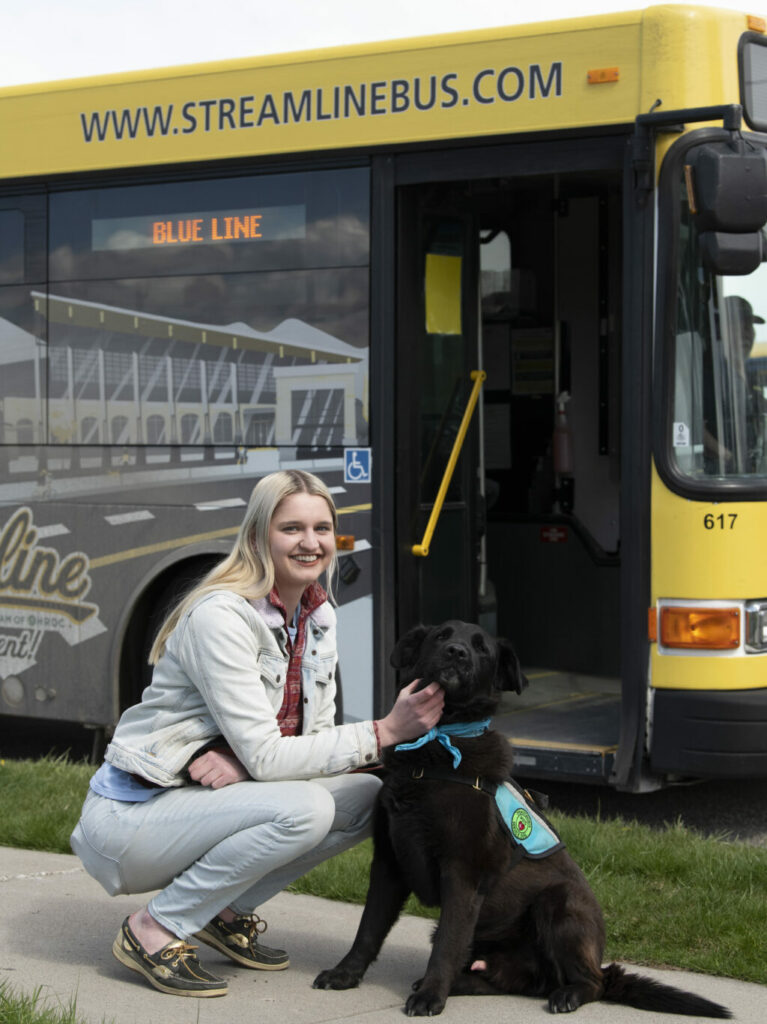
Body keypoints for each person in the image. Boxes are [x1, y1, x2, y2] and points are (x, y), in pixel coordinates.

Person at [70, 469, 444, 998]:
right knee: (304, 810)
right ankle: (152, 929)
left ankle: (222, 913)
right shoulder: (220, 616)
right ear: (257, 536)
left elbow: (311, 748)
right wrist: (385, 730)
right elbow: (276, 760)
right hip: (131, 821)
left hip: (204, 807)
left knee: (369, 796)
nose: (310, 543)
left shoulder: (318, 617)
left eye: (321, 528)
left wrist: (246, 762)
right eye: (291, 528)